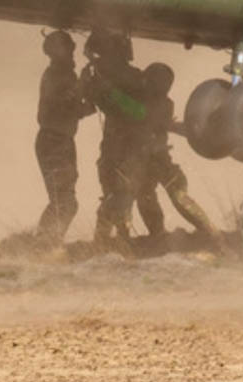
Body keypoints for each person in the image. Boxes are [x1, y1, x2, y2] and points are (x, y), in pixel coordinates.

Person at [134, 62, 220, 250]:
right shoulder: (144, 102)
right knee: (146, 196)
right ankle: (157, 233)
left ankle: (209, 231)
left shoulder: (163, 103)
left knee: (177, 196)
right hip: (147, 158)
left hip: (159, 157)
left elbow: (155, 120)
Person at [81, 30, 148, 249]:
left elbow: (139, 111)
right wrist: (90, 85)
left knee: (123, 192)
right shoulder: (107, 75)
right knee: (112, 191)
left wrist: (109, 90)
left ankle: (118, 239)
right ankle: (108, 240)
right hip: (113, 144)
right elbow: (96, 102)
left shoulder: (135, 77)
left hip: (130, 145)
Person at [33, 29, 89, 243]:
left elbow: (72, 108)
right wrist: (83, 86)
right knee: (64, 202)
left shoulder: (61, 75)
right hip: (54, 141)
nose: (73, 53)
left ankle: (47, 243)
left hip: (60, 141)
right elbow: (65, 107)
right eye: (68, 48)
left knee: (65, 201)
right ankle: (44, 244)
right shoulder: (58, 75)